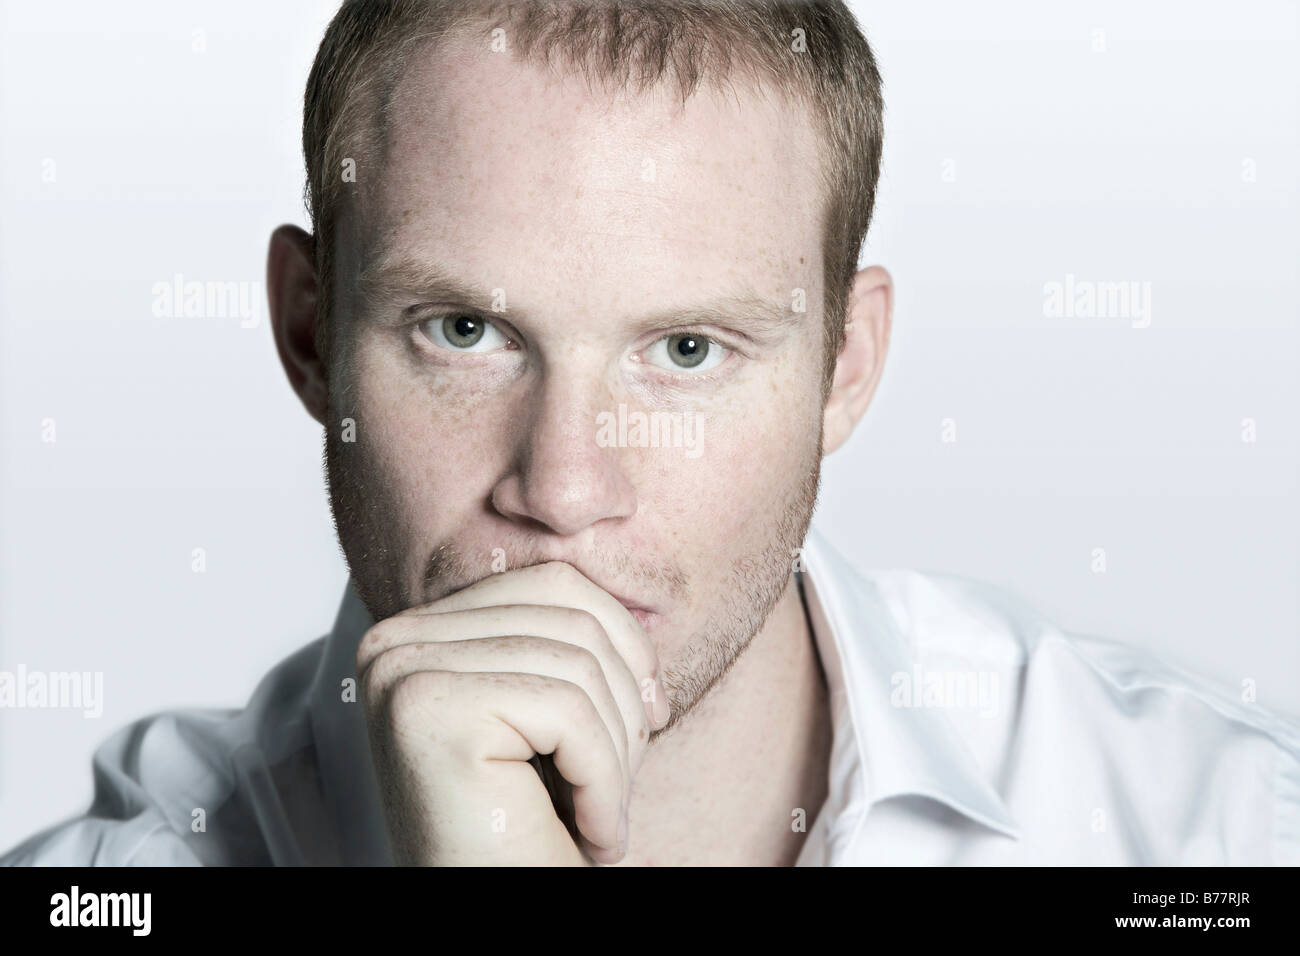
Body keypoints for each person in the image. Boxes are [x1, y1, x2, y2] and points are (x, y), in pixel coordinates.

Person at [4, 0, 1297, 866]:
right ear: (307, 335)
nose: (564, 489)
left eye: (686, 352)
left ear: (846, 368)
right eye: (464, 333)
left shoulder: (1206, 835)